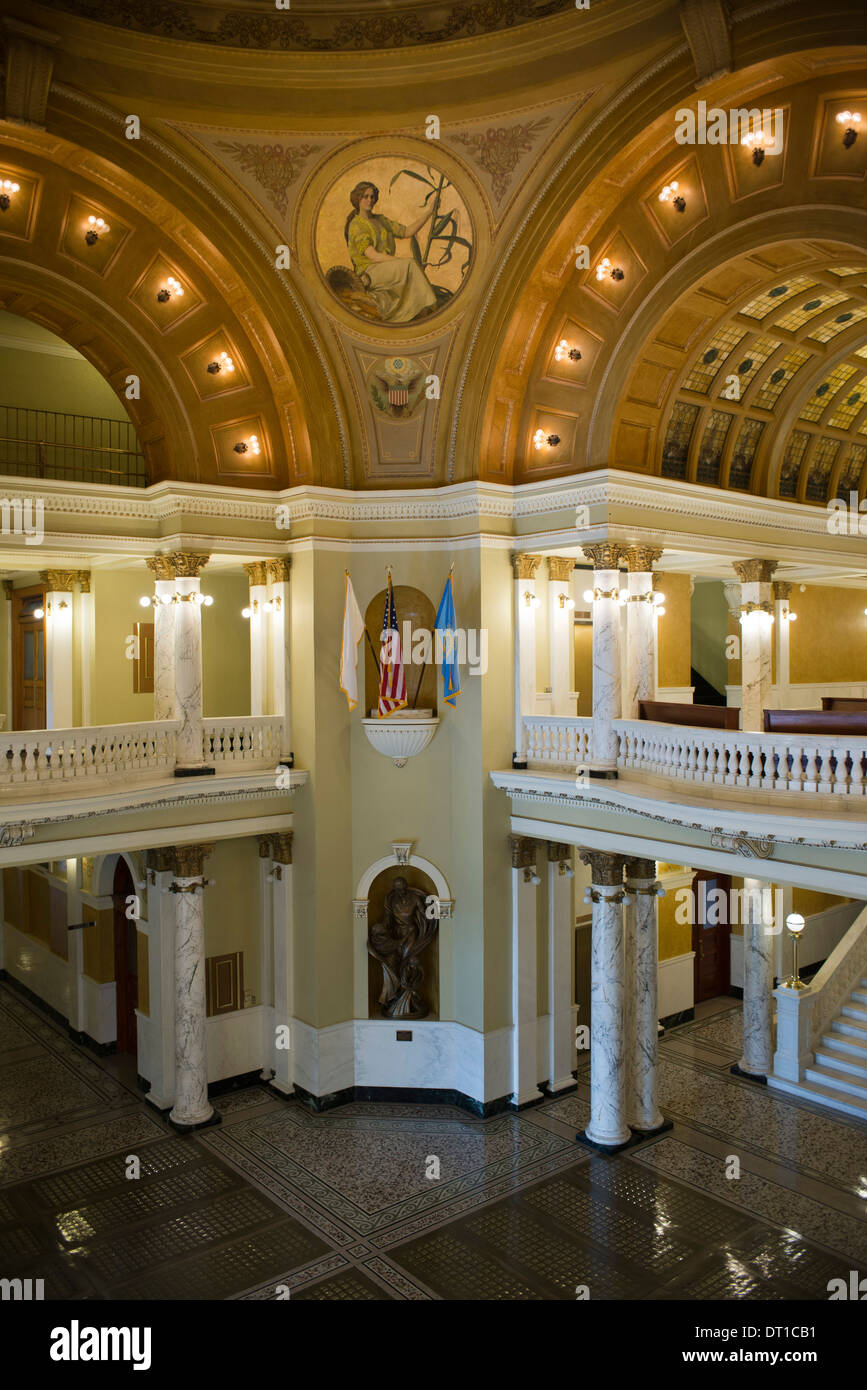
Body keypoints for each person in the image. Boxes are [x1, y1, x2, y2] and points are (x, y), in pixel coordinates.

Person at [344, 181, 441, 324]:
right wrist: (399, 261)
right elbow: (373, 256)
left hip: (385, 267)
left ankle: (424, 310)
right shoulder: (356, 225)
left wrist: (430, 212)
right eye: (365, 196)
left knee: (410, 265)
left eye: (372, 196)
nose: (370, 200)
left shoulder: (381, 220)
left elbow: (407, 231)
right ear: (358, 199)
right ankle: (431, 309)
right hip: (369, 272)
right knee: (409, 264)